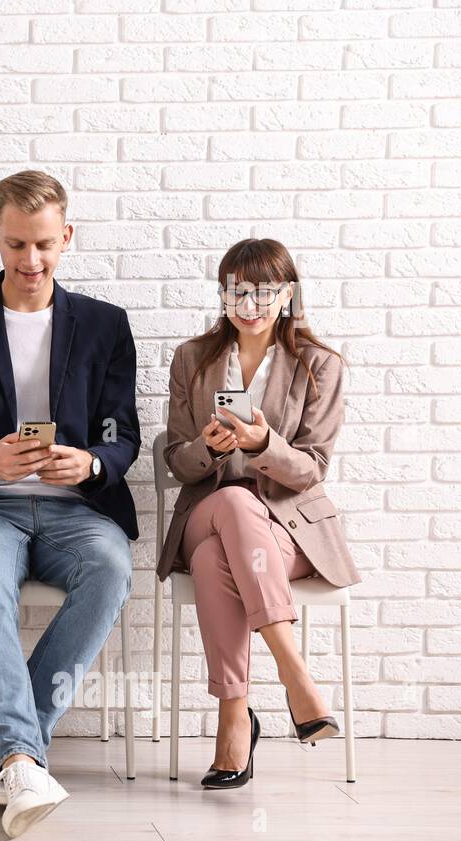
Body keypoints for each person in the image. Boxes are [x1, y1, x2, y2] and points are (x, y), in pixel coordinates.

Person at [0, 171, 139, 837]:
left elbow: (121, 432)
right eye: (15, 243)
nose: (30, 260)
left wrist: (93, 462)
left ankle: (13, 752)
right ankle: (18, 757)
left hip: (77, 510)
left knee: (112, 568)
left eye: (44, 244)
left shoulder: (105, 324)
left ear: (66, 237)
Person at [156, 237, 358, 789]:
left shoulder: (321, 365)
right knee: (231, 503)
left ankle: (233, 719)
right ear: (222, 295)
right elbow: (178, 461)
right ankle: (296, 676)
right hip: (205, 510)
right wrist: (213, 449)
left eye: (264, 292)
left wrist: (264, 443)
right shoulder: (192, 359)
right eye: (237, 291)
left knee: (219, 559)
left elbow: (313, 468)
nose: (249, 304)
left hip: (286, 531)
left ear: (287, 294)